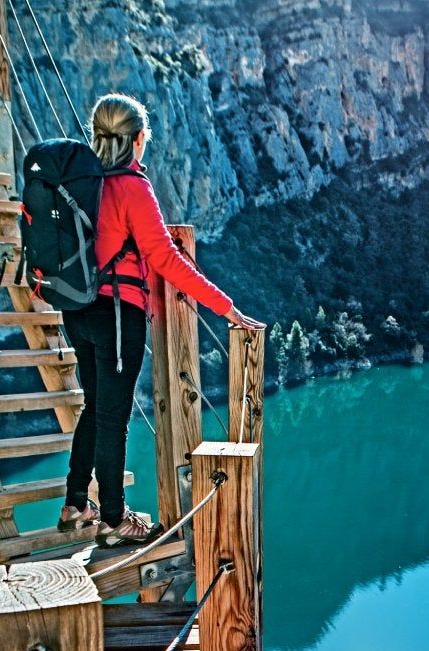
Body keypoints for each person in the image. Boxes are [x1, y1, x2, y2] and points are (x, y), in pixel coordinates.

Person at [58, 93, 264, 548]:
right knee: (113, 416)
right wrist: (225, 306)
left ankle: (76, 502)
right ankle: (113, 520)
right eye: (144, 138)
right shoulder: (131, 187)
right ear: (137, 140)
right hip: (117, 313)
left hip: (76, 309)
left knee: (95, 406)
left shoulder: (80, 180)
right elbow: (166, 259)